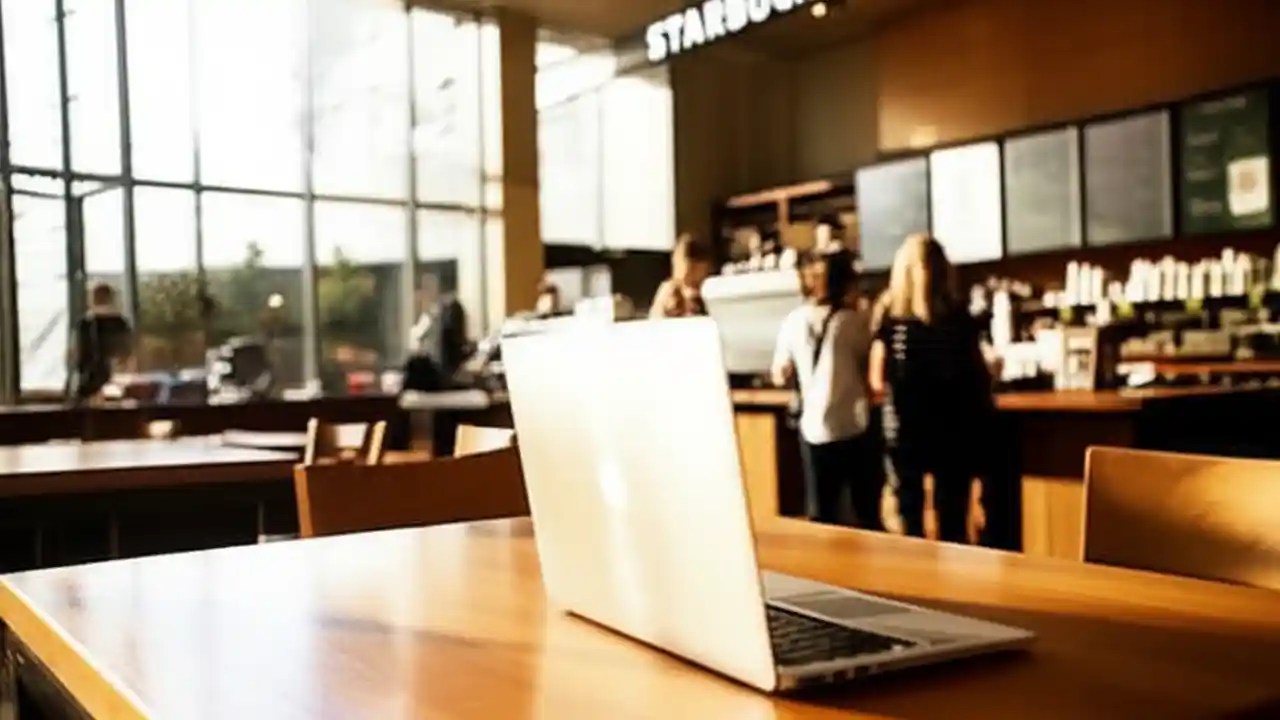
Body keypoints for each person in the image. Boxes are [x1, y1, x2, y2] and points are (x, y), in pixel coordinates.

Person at [869, 234, 995, 543]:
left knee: (909, 521)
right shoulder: (959, 317)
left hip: (904, 432)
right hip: (952, 431)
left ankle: (914, 586)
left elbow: (876, 378)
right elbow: (978, 375)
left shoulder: (889, 318)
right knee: (952, 518)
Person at [771, 249, 883, 529]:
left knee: (822, 514)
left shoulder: (793, 321)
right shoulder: (854, 322)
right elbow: (871, 369)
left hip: (814, 428)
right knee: (864, 512)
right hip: (854, 427)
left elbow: (779, 374)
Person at [68, 283, 134, 404]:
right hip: (114, 383)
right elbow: (126, 354)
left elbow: (75, 354)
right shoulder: (120, 324)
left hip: (88, 382)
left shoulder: (84, 324)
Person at [650, 233, 713, 319]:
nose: (693, 292)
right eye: (688, 282)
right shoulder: (668, 292)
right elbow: (654, 322)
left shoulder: (710, 292)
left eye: (698, 283)